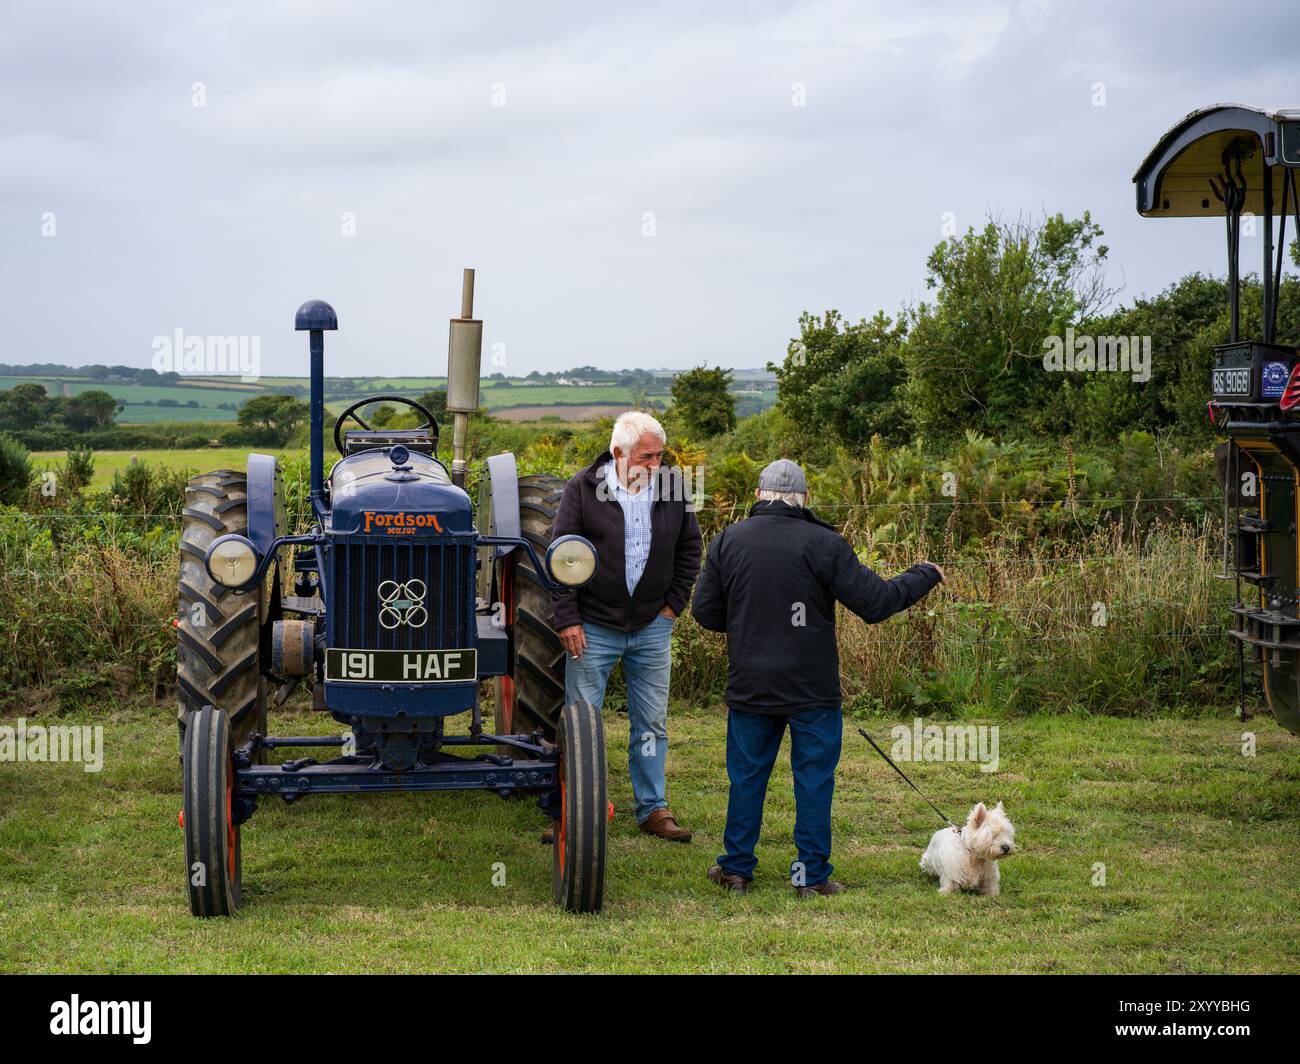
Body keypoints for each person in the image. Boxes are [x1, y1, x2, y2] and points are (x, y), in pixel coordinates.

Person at [691, 459, 944, 895]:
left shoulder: (728, 540)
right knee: (812, 780)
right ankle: (809, 877)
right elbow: (877, 604)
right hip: (812, 687)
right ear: (804, 500)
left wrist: (751, 627)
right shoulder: (824, 543)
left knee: (747, 777)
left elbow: (705, 611)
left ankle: (735, 870)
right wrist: (923, 574)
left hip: (750, 683)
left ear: (758, 495)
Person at [548, 411, 702, 842]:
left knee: (651, 723)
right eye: (647, 457)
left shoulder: (671, 486)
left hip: (653, 625)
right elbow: (564, 557)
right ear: (619, 453)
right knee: (582, 723)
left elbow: (691, 547)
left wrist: (674, 606)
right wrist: (568, 617)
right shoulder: (583, 487)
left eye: (659, 456)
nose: (656, 465)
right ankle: (575, 809)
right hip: (593, 626)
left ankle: (652, 808)